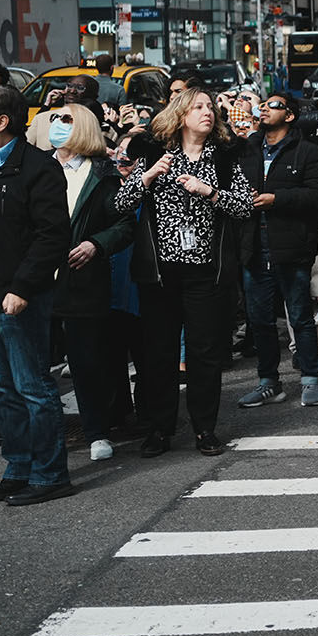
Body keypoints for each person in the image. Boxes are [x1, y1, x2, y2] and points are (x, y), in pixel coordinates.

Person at [115, 88, 255, 457]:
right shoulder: (155, 153)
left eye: (210, 107)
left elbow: (244, 206)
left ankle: (204, 429)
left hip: (206, 273)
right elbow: (120, 203)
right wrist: (146, 178)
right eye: (198, 107)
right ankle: (160, 429)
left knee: (204, 354)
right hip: (161, 273)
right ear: (180, 115)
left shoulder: (223, 157)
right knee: (159, 353)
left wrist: (210, 192)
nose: (207, 112)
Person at [0, 84, 72, 505]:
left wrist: (23, 287)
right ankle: (19, 466)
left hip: (18, 295)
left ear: (1, 122)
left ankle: (50, 473)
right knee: (1, 388)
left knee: (32, 386)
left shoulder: (37, 167)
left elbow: (51, 235)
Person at [45, 103, 133, 463]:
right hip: (37, 279)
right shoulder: (37, 168)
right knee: (37, 363)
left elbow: (124, 226)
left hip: (83, 278)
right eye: (53, 119)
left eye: (65, 119)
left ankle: (97, 431)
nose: (56, 125)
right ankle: (42, 434)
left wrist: (96, 244)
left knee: (87, 360)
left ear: (82, 126)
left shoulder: (102, 173)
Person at [236, 93, 318, 410]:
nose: (264, 109)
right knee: (260, 320)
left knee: (300, 317)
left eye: (273, 105)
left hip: (291, 247)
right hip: (254, 248)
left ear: (290, 115)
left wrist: (276, 199)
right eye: (262, 105)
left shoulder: (307, 152)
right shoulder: (248, 149)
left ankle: (310, 379)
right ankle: (268, 382)